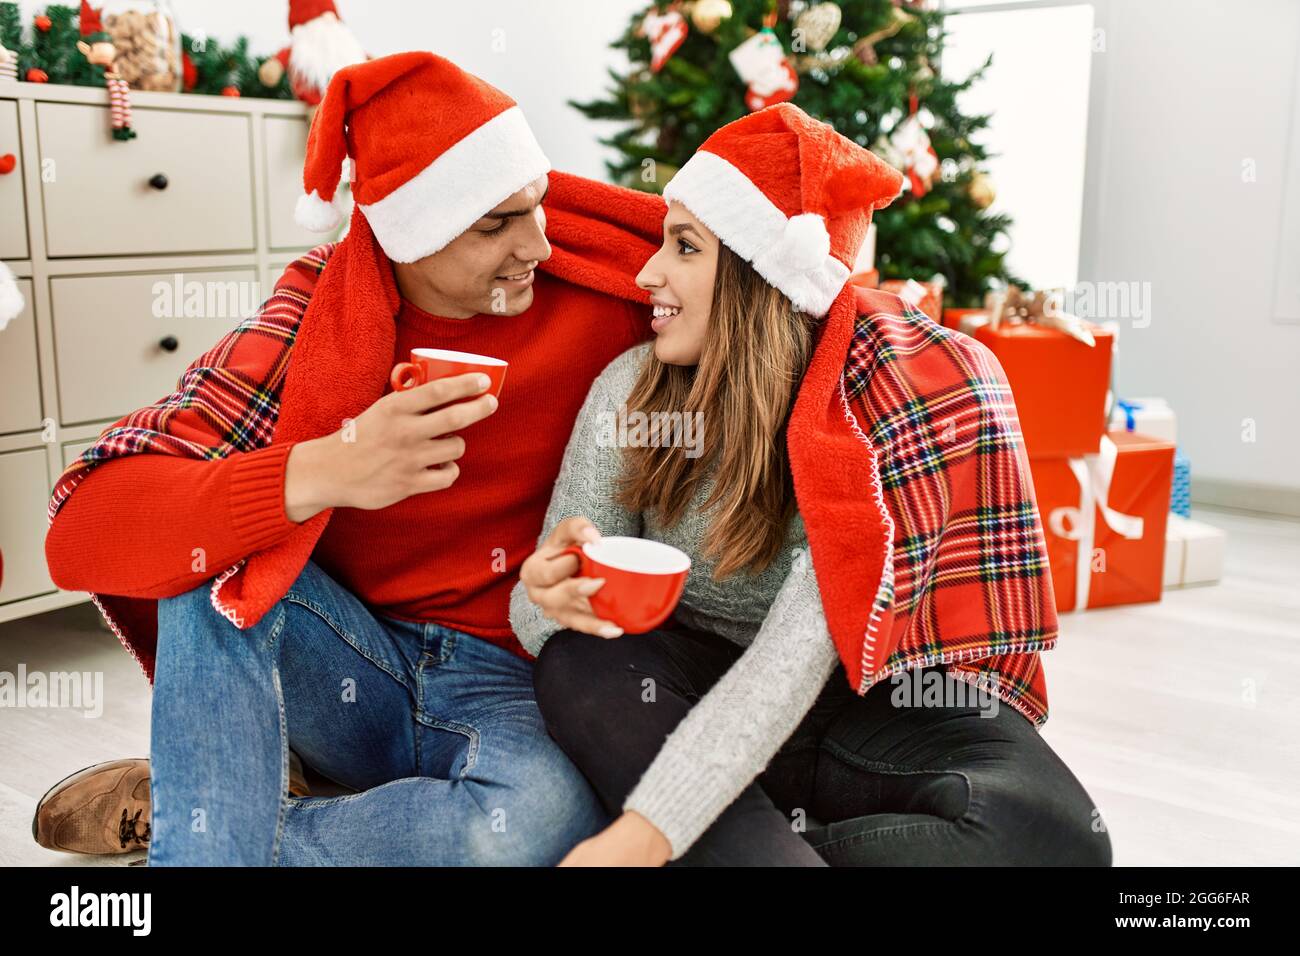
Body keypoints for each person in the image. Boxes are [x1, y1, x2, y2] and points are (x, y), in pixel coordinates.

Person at [35, 51, 667, 865]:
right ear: (411, 232)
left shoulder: (607, 291)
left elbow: (776, 293)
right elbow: (85, 530)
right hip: (345, 662)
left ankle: (216, 815)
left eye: (537, 206)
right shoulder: (320, 311)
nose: (538, 244)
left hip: (506, 678)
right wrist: (324, 470)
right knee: (203, 561)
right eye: (494, 224)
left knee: (536, 826)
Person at [513, 103, 1113, 866]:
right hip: (679, 693)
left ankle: (749, 851)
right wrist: (544, 593)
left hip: (868, 703)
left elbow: (787, 668)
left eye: (685, 247)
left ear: (760, 275)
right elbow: (542, 611)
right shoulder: (631, 393)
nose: (648, 273)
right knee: (578, 659)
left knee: (1052, 838)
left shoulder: (870, 417)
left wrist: (639, 840)